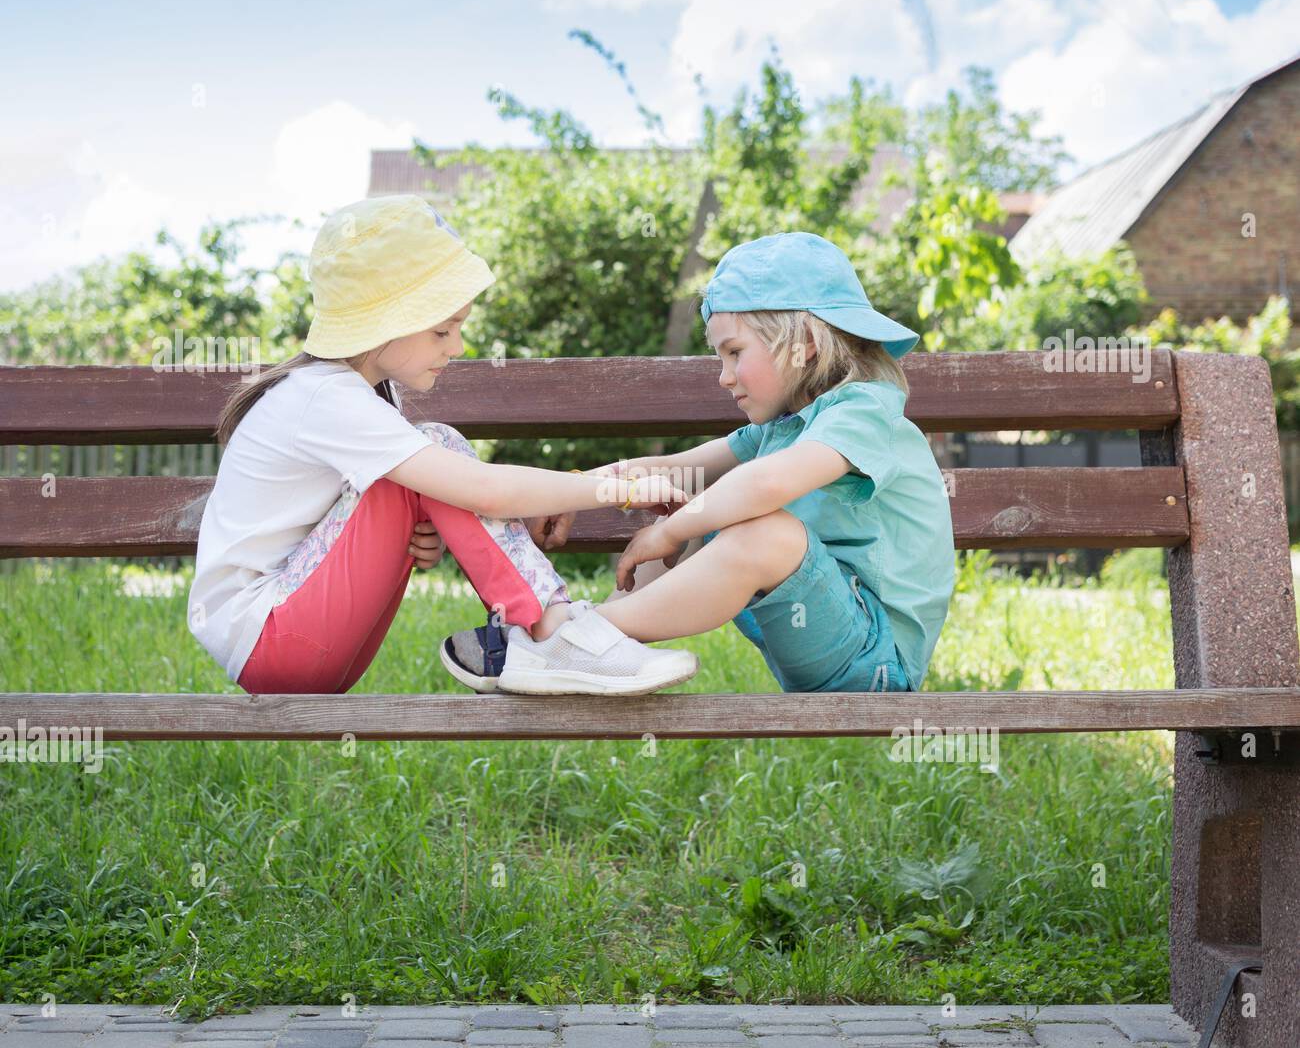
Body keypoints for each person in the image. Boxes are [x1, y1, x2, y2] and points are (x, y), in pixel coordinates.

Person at [187, 194, 698, 697]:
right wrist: (613, 488)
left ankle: (546, 636)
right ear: (384, 323)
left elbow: (404, 509)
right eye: (442, 330)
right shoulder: (323, 395)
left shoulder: (351, 396)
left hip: (295, 641)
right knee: (437, 444)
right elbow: (485, 491)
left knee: (424, 461)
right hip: (274, 640)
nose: (456, 347)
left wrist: (411, 528)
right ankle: (553, 631)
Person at [442, 231, 955, 696]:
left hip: (876, 663)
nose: (724, 376)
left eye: (734, 353)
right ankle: (586, 645)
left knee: (757, 527)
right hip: (827, 632)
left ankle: (582, 636)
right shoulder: (783, 429)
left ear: (805, 345)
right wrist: (575, 488)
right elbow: (676, 470)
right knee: (687, 502)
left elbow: (766, 484)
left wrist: (674, 532)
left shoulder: (864, 411)